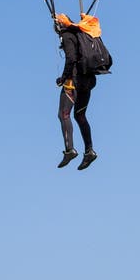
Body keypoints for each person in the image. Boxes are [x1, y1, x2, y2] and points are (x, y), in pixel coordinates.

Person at [55, 13, 98, 170]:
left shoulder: (67, 36)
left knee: (63, 114)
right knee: (80, 116)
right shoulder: (82, 34)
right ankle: (89, 151)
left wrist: (63, 77)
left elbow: (71, 58)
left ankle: (69, 150)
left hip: (73, 82)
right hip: (87, 82)